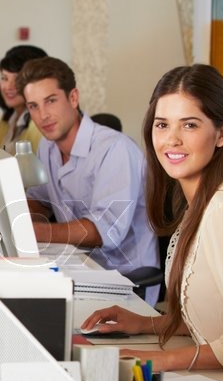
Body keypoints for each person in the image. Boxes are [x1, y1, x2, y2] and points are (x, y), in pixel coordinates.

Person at [82, 64, 223, 372]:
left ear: (222, 134)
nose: (172, 139)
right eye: (162, 125)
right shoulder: (198, 205)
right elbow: (215, 320)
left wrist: (161, 360)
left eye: (190, 125)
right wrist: (145, 323)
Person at [17, 56, 159, 297]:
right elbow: (41, 200)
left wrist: (35, 231)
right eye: (33, 106)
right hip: (74, 269)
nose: (43, 115)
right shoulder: (47, 147)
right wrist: (10, 216)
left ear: (73, 98)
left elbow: (104, 230)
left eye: (51, 101)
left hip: (123, 281)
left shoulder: (115, 149)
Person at [0, 45, 47, 154]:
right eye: (4, 78)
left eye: (18, 79)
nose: (9, 87)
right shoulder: (8, 116)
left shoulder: (40, 124)